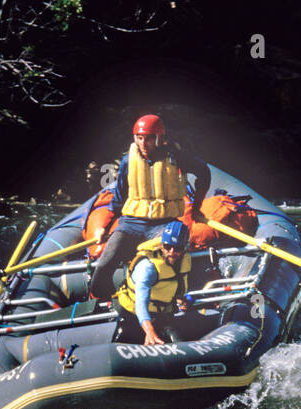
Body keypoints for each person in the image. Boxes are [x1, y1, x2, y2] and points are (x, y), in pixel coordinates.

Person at [89, 114, 210, 301]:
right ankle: (104, 298)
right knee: (105, 263)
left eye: (148, 139)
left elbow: (204, 172)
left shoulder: (177, 157)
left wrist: (196, 207)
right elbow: (119, 196)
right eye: (139, 138)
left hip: (164, 223)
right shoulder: (128, 161)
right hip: (131, 223)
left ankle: (179, 297)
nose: (143, 143)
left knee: (173, 257)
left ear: (159, 139)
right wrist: (105, 226)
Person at [113, 220, 211, 346]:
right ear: (161, 245)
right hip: (134, 314)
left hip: (163, 314)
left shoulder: (184, 260)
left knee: (178, 343)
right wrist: (150, 331)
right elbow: (141, 304)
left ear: (185, 247)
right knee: (122, 339)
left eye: (178, 248)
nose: (171, 252)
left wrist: (180, 299)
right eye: (167, 246)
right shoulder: (148, 267)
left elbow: (175, 285)